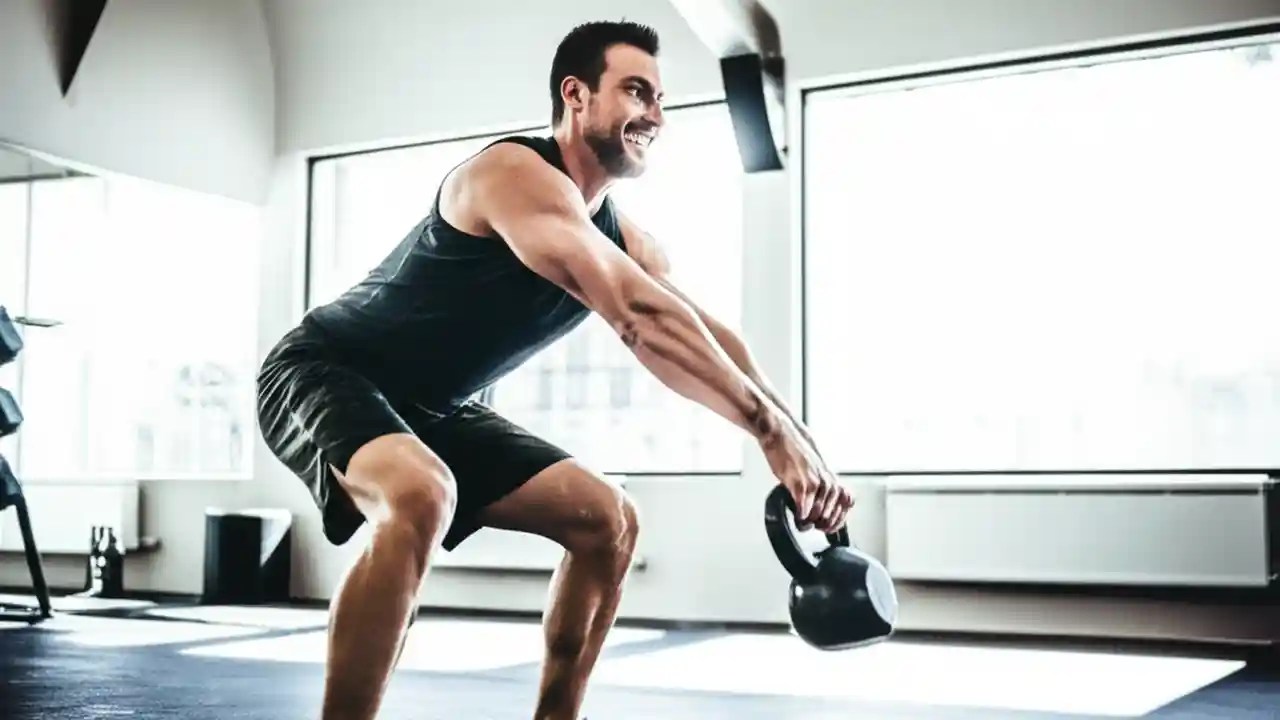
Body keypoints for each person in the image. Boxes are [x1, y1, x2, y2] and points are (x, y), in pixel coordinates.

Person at [256, 19, 853, 720]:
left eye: (660, 99)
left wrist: (797, 437)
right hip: (327, 370)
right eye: (637, 92)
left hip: (442, 408)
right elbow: (639, 318)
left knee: (610, 520)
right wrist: (767, 434)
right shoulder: (512, 175)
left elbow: (706, 335)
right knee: (421, 493)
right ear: (576, 95)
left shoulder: (626, 236)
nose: (655, 116)